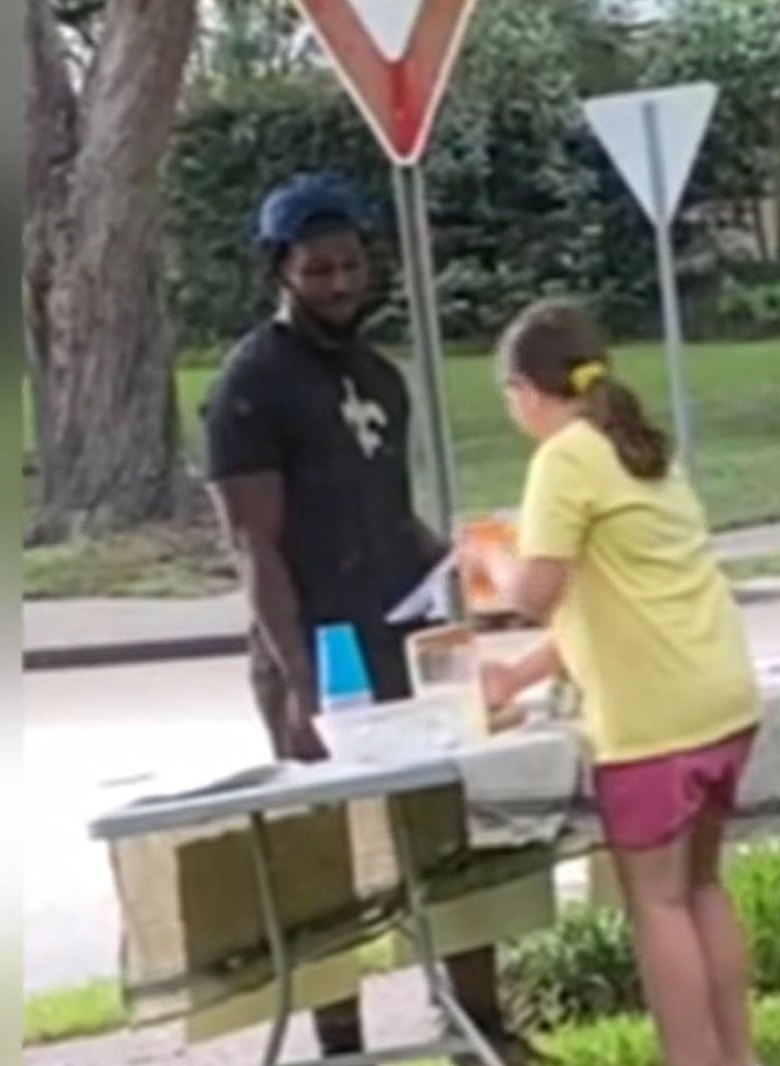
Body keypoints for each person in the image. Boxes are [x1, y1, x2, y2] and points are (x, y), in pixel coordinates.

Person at [202, 173, 532, 1063]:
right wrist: (306, 690)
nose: (341, 284)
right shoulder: (249, 385)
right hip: (313, 655)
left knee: (447, 839)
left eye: (351, 265)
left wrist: (464, 574)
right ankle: (342, 1047)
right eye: (318, 270)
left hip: (404, 647)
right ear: (279, 270)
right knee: (324, 866)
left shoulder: (380, 376)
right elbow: (255, 550)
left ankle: (480, 1034)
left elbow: (389, 512)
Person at [468, 300, 764, 1066]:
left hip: (652, 720)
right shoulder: (642, 451)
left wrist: (489, 558)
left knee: (657, 902)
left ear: (527, 392)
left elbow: (535, 594)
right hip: (721, 695)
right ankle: (738, 1056)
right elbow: (610, 601)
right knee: (703, 889)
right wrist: (520, 676)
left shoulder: (564, 458)